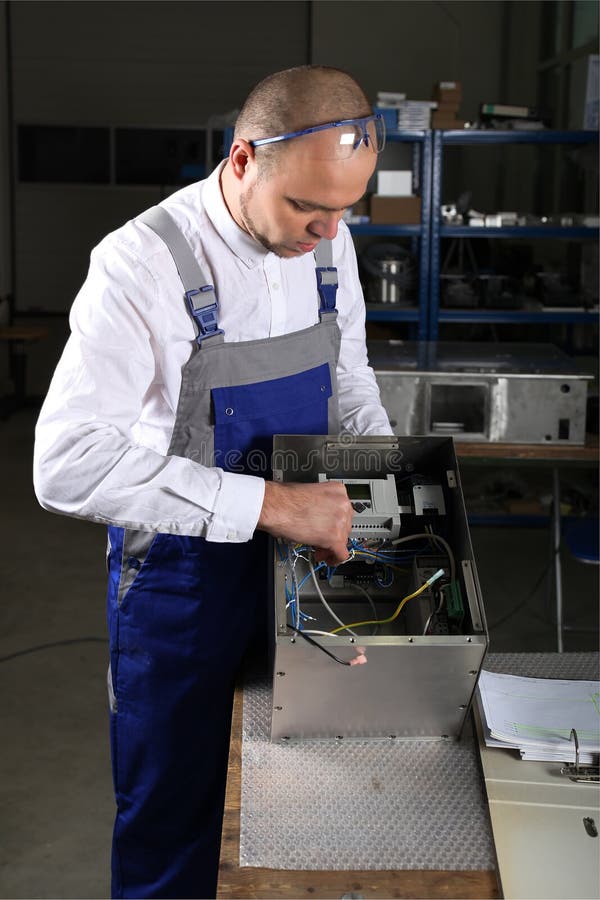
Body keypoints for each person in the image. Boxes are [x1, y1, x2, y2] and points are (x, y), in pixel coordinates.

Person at [33, 65, 393, 899]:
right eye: (307, 208)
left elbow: (351, 381)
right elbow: (67, 460)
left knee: (307, 802)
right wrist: (272, 505)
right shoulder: (141, 264)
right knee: (175, 821)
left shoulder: (329, 244)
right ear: (242, 160)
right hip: (179, 592)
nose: (326, 232)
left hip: (303, 575)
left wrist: (387, 488)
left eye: (345, 210)